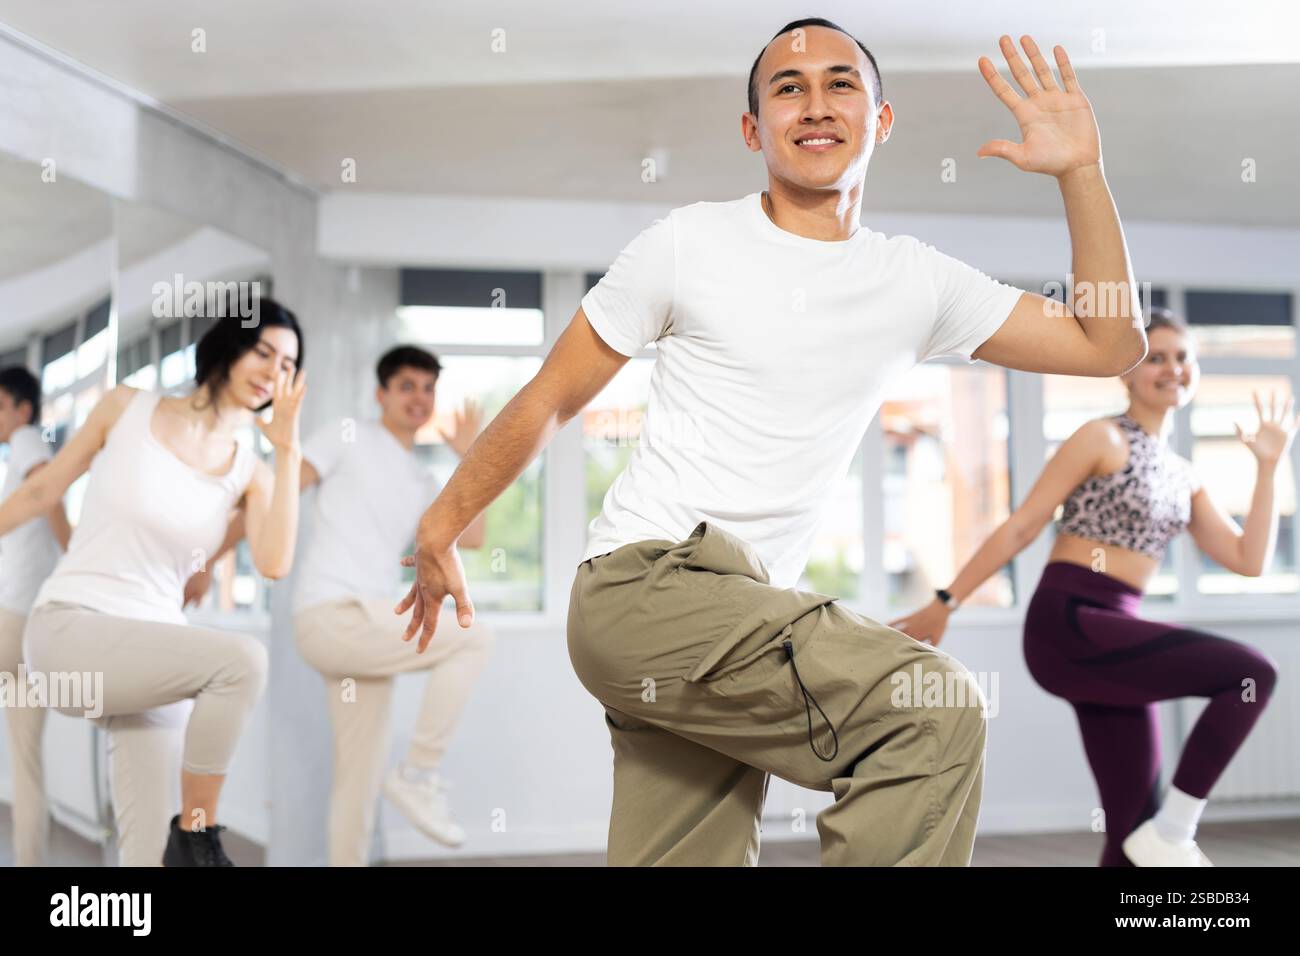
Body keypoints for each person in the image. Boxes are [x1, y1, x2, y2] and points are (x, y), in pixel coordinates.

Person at [399, 20, 1148, 866]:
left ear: (882, 118)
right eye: (787, 88)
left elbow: (1108, 344)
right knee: (932, 707)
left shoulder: (918, 281)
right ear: (754, 129)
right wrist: (442, 522)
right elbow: (550, 397)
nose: (816, 104)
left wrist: (1081, 173)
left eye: (841, 83)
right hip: (647, 589)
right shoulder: (688, 244)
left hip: (740, 614)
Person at [891, 308, 1292, 866]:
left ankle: (1156, 842)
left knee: (1131, 832)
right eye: (1156, 358)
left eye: (1183, 357)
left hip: (1112, 637)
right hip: (1071, 623)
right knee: (1251, 671)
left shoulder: (1184, 475)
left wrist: (1269, 467)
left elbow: (1249, 560)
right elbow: (1023, 523)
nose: (1173, 368)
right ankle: (1177, 832)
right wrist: (946, 601)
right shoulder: (1102, 437)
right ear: (1126, 371)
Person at [2, 302, 306, 866]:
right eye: (264, 351)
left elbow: (275, 562)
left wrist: (287, 450)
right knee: (242, 662)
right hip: (69, 631)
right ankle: (198, 833)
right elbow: (41, 495)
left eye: (288, 365)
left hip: (153, 658)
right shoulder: (125, 408)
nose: (273, 371)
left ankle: (182, 847)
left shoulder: (252, 472)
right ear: (227, 349)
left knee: (144, 859)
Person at [187, 345, 494, 866]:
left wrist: (471, 459)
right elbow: (271, 493)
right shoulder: (349, 437)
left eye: (428, 388)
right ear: (382, 394)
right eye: (407, 386)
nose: (419, 398)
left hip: (366, 628)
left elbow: (475, 538)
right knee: (473, 636)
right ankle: (419, 773)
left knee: (359, 780)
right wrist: (206, 560)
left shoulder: (421, 479)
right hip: (332, 615)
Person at [0, 366, 70, 865]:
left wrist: (76, 548)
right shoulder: (21, 450)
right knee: (26, 765)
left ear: (24, 408)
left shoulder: (26, 440)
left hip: (11, 620)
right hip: (29, 626)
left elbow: (47, 491)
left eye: (0, 405)